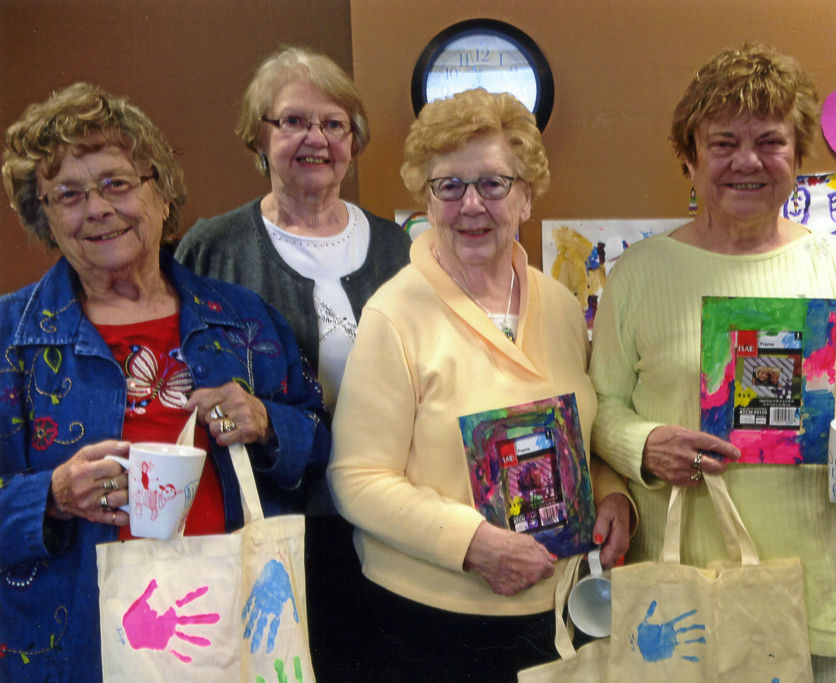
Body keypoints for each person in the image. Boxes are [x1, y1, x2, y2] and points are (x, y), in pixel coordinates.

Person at [588, 43, 836, 683]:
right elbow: (601, 407)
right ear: (689, 157)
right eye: (723, 143)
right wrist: (645, 445)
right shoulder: (641, 273)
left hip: (810, 590)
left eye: (770, 141)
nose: (748, 161)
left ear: (798, 154)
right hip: (679, 602)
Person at [0, 83, 329, 682]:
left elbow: (320, 443)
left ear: (160, 190)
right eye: (68, 194)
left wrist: (267, 424)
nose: (97, 209)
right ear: (43, 214)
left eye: (116, 183)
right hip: (74, 648)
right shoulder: (9, 339)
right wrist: (50, 496)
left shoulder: (243, 319)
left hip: (228, 637)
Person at [326, 88, 633, 679]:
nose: (471, 204)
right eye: (449, 185)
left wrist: (611, 491)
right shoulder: (394, 313)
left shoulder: (562, 305)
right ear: (427, 199)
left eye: (493, 183)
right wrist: (473, 544)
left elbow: (577, 433)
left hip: (557, 613)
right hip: (430, 628)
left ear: (526, 196)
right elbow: (356, 479)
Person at [174, 47, 410, 678]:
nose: (317, 139)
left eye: (334, 124)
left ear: (354, 141)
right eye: (294, 121)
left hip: (387, 514)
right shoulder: (213, 247)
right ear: (259, 135)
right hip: (268, 518)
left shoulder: (399, 246)